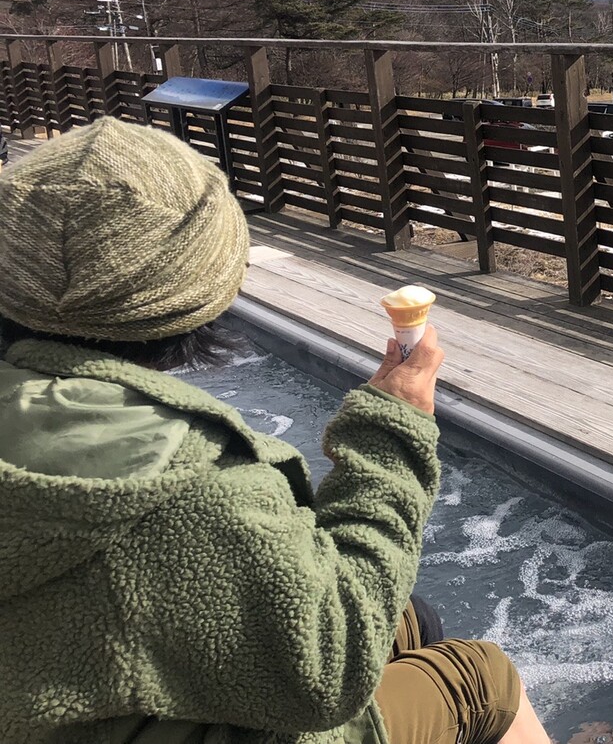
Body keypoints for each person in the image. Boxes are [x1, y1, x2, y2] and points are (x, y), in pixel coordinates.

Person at [0, 118, 551, 744]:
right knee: (482, 679)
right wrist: (394, 427)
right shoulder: (186, 488)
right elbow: (331, 671)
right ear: (202, 288)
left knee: (408, 619)